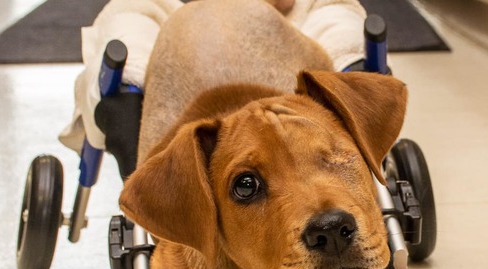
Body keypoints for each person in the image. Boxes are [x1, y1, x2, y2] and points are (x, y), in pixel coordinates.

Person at [57, 0, 368, 178]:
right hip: (186, 31)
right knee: (129, 20)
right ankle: (127, 103)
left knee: (338, 17)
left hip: (279, 43)